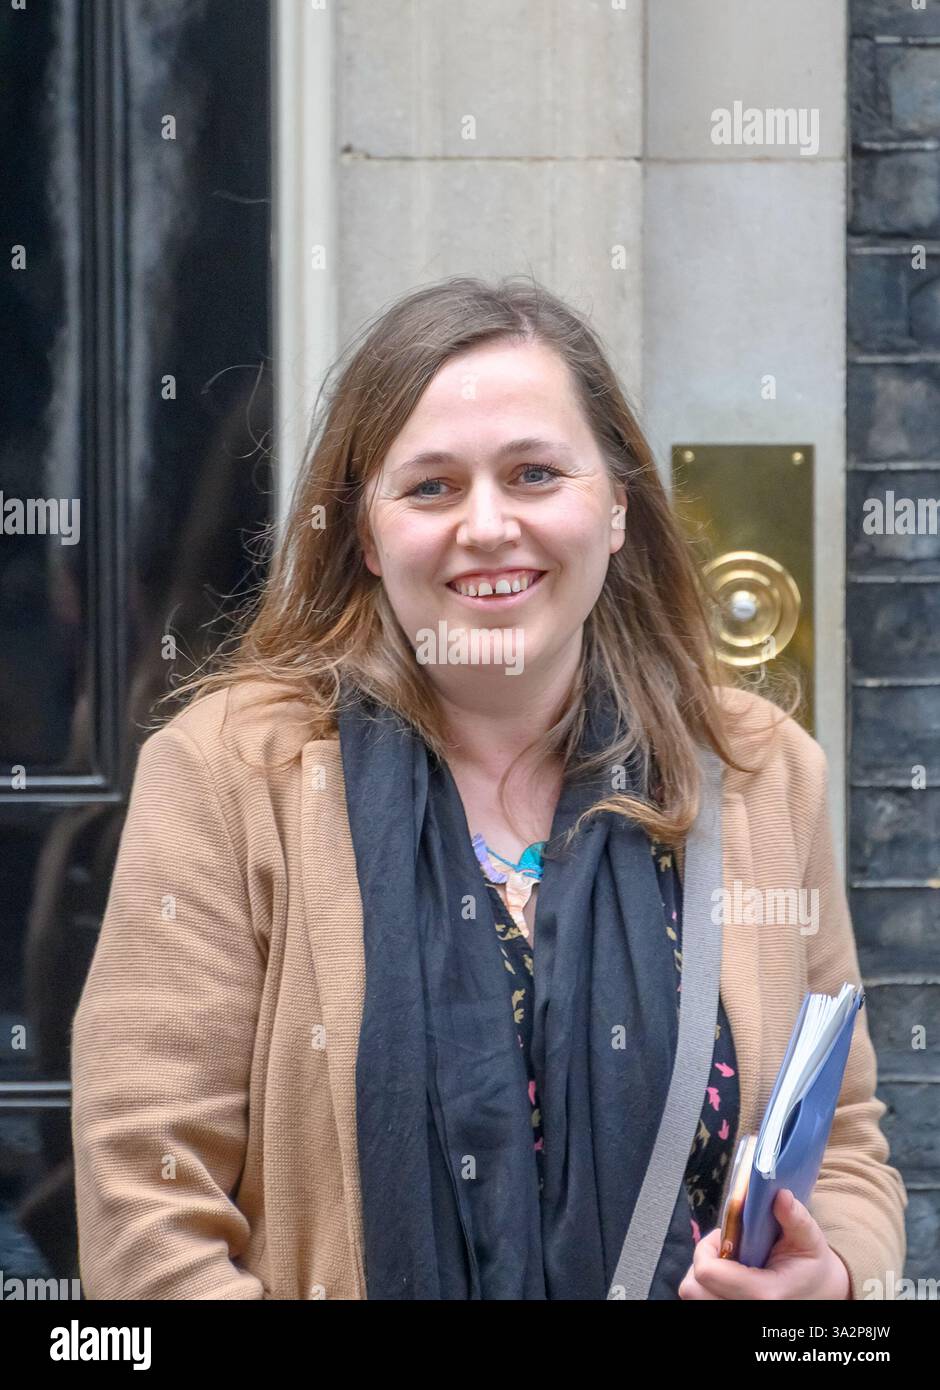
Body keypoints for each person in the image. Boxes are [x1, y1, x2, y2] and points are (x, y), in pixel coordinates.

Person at [70, 275, 907, 1300]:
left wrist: (831, 1286)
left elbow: (849, 1148)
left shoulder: (759, 771)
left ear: (614, 508)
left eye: (533, 474)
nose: (487, 525)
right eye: (430, 487)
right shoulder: (228, 776)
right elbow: (144, 1207)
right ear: (368, 536)